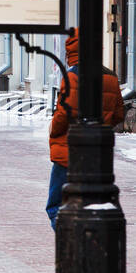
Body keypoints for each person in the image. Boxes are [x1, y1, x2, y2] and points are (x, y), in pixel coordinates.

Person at [46, 27, 124, 229]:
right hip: (97, 153)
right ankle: (88, 242)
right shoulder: (111, 77)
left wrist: (53, 130)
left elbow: (64, 113)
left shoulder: (71, 76)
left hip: (68, 150)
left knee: (56, 206)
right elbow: (118, 115)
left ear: (71, 49)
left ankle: (72, 247)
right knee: (93, 204)